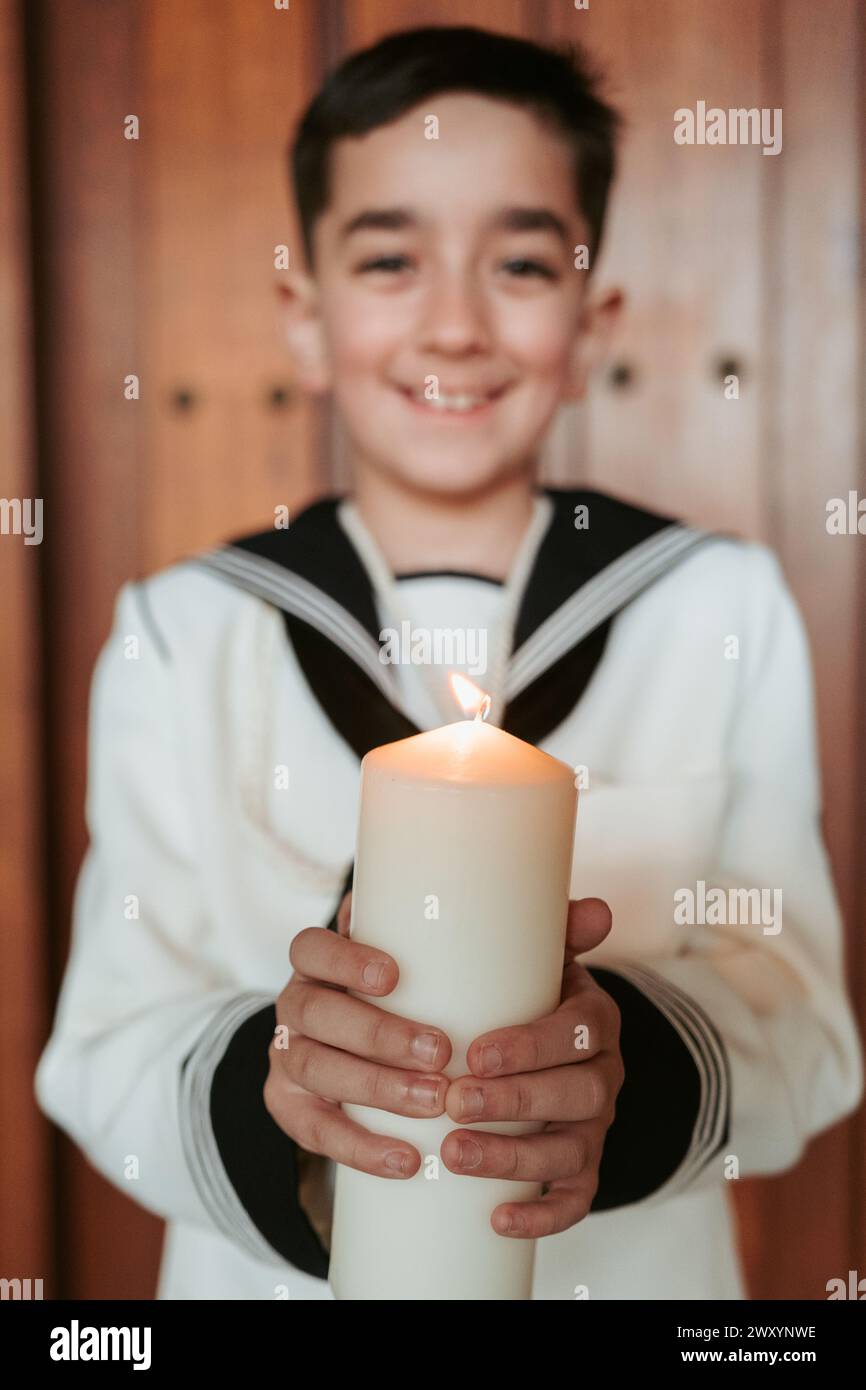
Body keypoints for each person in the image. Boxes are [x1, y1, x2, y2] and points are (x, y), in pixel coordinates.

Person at [35, 25, 862, 1301]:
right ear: (302, 318)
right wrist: (285, 1085)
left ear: (591, 324)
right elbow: (99, 1049)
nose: (456, 323)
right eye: (389, 259)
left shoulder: (711, 606)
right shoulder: (184, 632)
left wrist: (624, 1069)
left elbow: (805, 1031)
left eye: (521, 263)